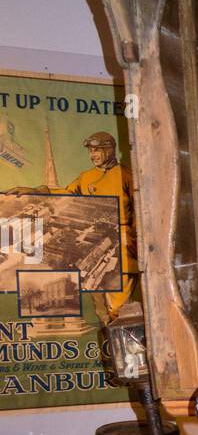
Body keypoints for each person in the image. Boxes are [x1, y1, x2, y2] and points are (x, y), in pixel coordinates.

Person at [8, 131, 138, 324]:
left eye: (97, 150)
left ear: (110, 150)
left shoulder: (127, 176)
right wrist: (35, 191)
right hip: (99, 243)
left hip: (124, 254)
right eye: (91, 151)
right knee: (102, 312)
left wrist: (134, 242)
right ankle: (113, 350)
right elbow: (66, 193)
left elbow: (143, 212)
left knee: (120, 311)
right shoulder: (86, 177)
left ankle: (128, 350)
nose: (92, 155)